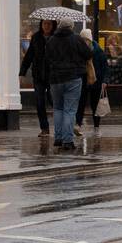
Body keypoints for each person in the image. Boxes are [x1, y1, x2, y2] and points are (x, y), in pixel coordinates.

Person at [45, 20, 92, 150]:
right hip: (73, 78)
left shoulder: (51, 40)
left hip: (55, 79)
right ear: (71, 27)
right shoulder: (76, 39)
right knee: (70, 110)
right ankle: (67, 140)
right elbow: (88, 54)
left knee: (58, 108)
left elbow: (47, 58)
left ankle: (58, 138)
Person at [19, 19, 55, 136]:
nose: (46, 26)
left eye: (49, 24)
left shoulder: (56, 38)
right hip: (38, 75)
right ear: (41, 24)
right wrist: (22, 72)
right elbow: (29, 55)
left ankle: (61, 125)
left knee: (53, 100)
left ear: (53, 25)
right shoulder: (36, 37)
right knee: (39, 102)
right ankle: (44, 128)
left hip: (52, 75)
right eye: (44, 23)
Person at [76, 28, 108, 133]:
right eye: (82, 40)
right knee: (80, 103)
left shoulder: (99, 51)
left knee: (95, 105)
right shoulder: (79, 51)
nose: (84, 42)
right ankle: (78, 123)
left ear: (89, 40)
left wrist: (104, 81)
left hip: (96, 81)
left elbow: (105, 67)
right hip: (82, 80)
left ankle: (96, 125)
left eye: (86, 39)